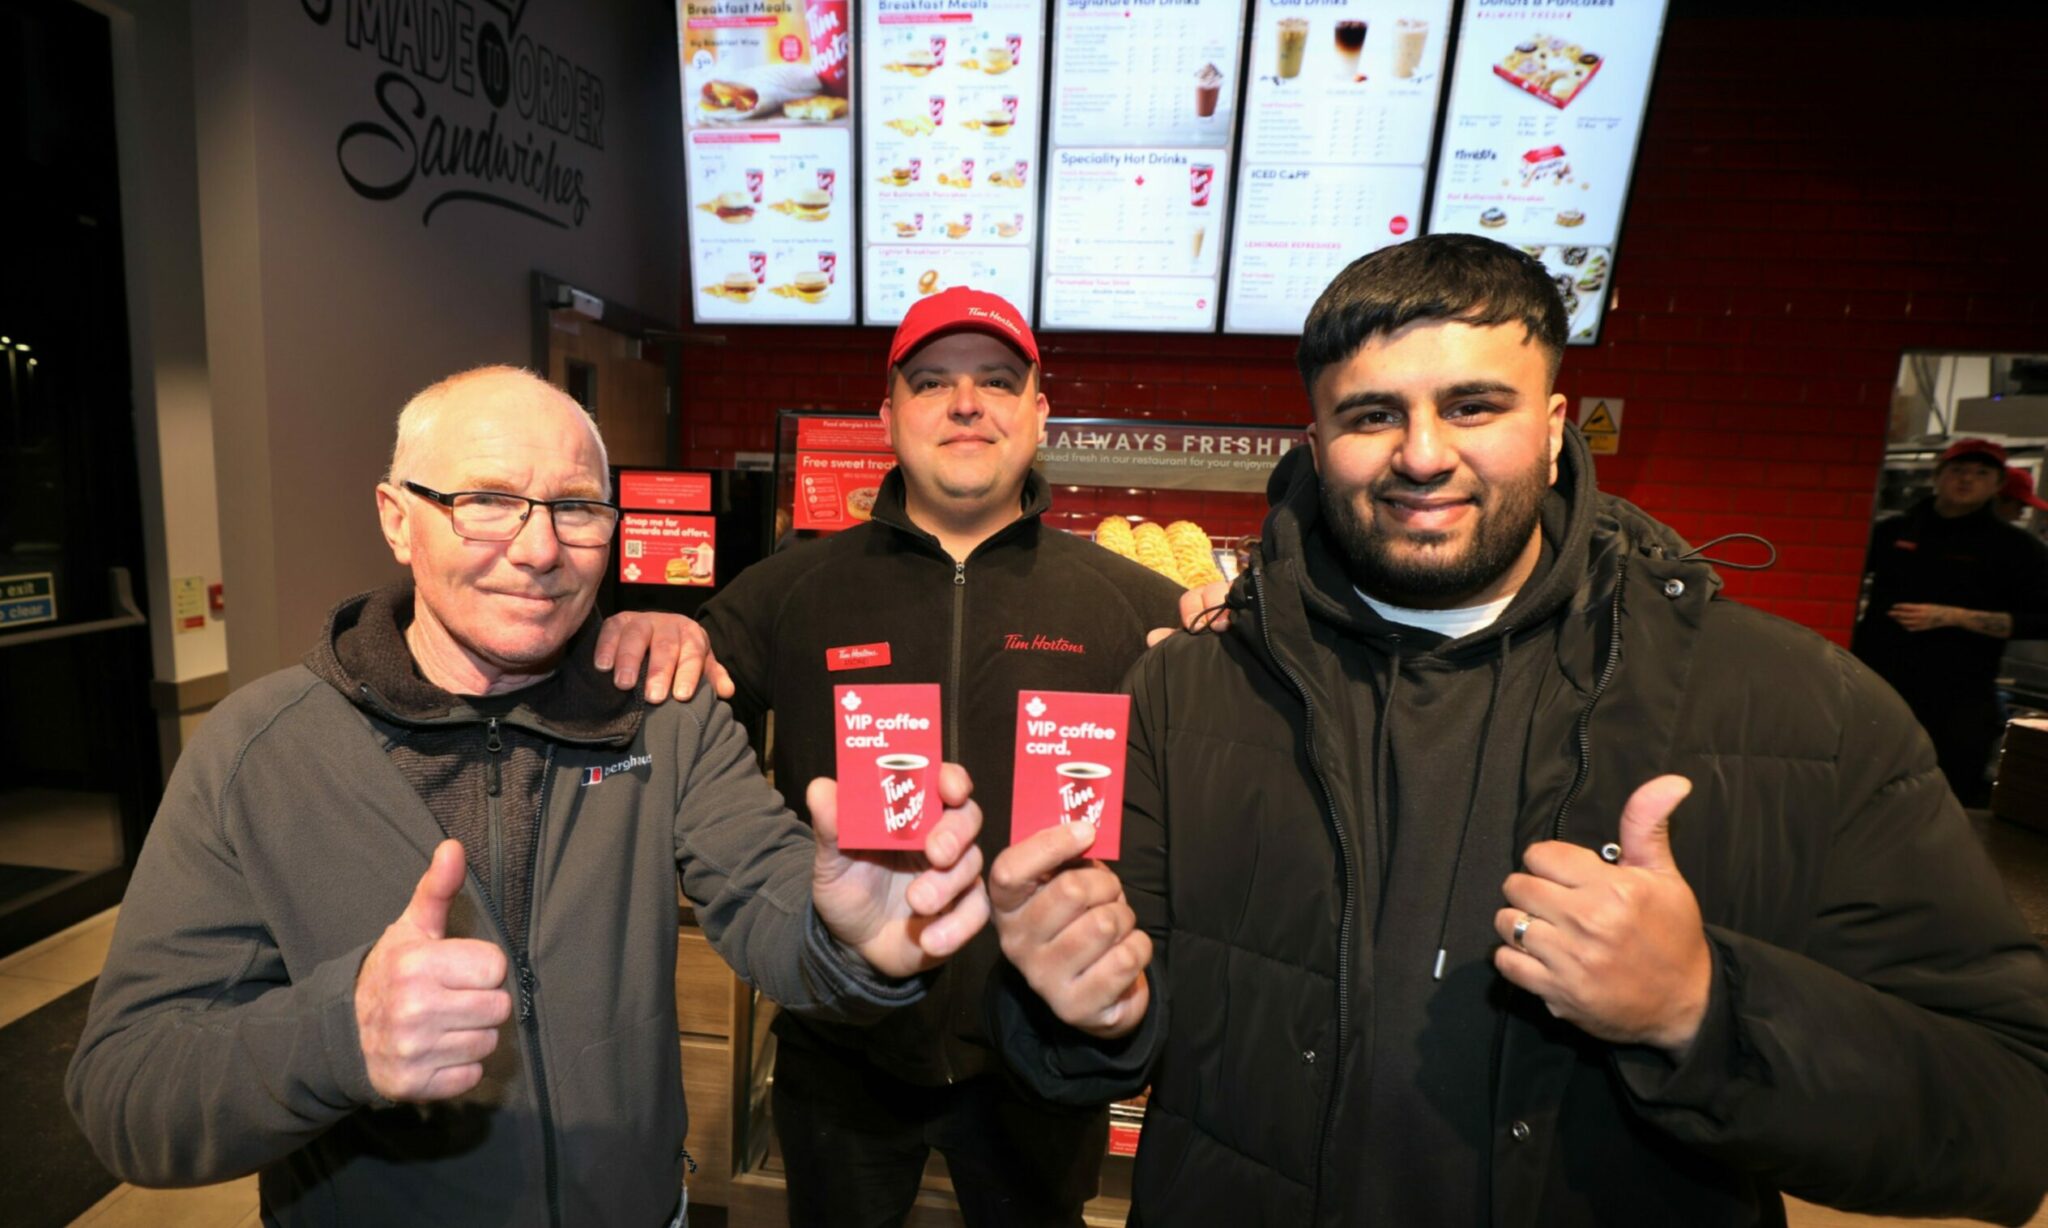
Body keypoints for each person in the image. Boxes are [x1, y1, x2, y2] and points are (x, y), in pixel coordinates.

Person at [985, 235, 2048, 1227]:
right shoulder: (1188, 692)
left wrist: (1699, 1009)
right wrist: (1080, 1010)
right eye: (1370, 415)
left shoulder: (1799, 705)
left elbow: (2010, 1109)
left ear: (1551, 427)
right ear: (1316, 442)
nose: (1421, 454)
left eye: (1473, 405)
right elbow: (1108, 1029)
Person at [66, 367, 992, 1227]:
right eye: (487, 502)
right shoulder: (259, 752)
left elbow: (766, 894)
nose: (540, 549)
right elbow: (126, 1090)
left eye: (576, 508)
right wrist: (341, 1038)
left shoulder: (662, 714)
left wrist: (848, 937)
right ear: (398, 520)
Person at [607, 288, 1185, 1227]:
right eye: (932, 383)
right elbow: (685, 738)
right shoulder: (789, 591)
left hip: (1037, 1055)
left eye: (997, 381)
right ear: (887, 417)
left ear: (1040, 412)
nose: (966, 404)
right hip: (844, 1051)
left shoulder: (1134, 605)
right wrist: (653, 631)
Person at [1852, 437, 2048, 805]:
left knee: (1943, 796)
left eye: (1981, 472)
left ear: (1997, 484)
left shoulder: (2016, 548)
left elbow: (2043, 620)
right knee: (1860, 785)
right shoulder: (1892, 531)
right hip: (1876, 683)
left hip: (1958, 695)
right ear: (1938, 476)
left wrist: (1955, 617)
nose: (1967, 479)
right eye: (1958, 470)